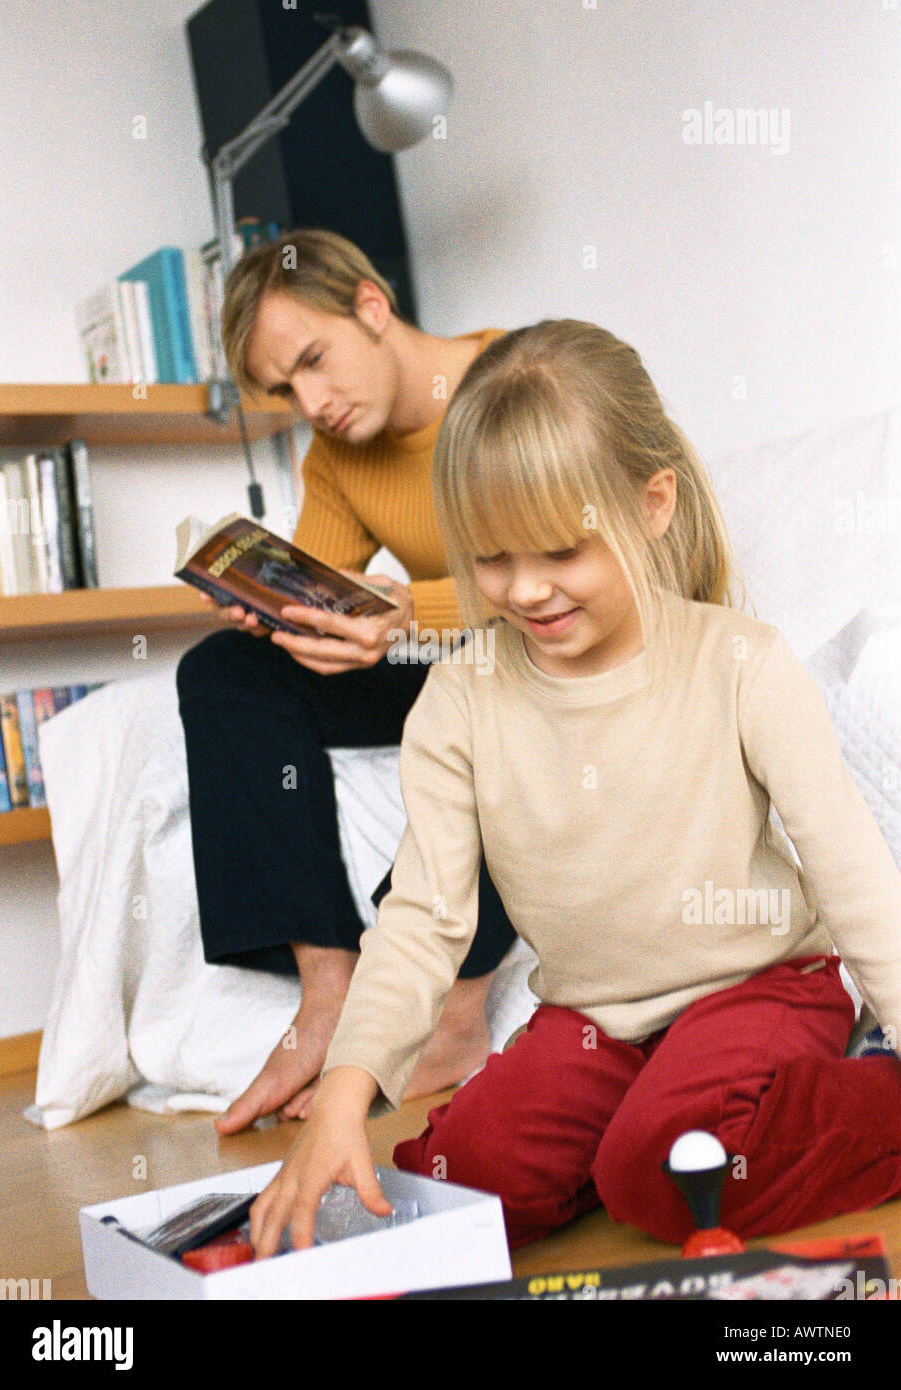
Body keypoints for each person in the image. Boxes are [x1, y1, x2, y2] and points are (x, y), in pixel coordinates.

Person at [248, 318, 901, 1258]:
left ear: (652, 505)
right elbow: (424, 918)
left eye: (560, 553)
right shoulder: (459, 700)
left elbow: (850, 872)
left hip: (759, 988)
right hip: (591, 1017)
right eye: (490, 557)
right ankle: (632, 1133)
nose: (524, 592)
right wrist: (343, 1097)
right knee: (459, 1188)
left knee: (667, 1174)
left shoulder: (740, 663)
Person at [175, 229, 516, 1130]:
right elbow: (327, 583)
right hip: (432, 652)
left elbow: (567, 575)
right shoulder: (337, 456)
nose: (312, 402)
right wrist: (274, 608)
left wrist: (417, 616)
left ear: (372, 306)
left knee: (494, 686)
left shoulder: (516, 385)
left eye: (316, 362)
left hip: (537, 644)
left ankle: (458, 1005)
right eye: (287, 388)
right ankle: (330, 986)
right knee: (222, 672)